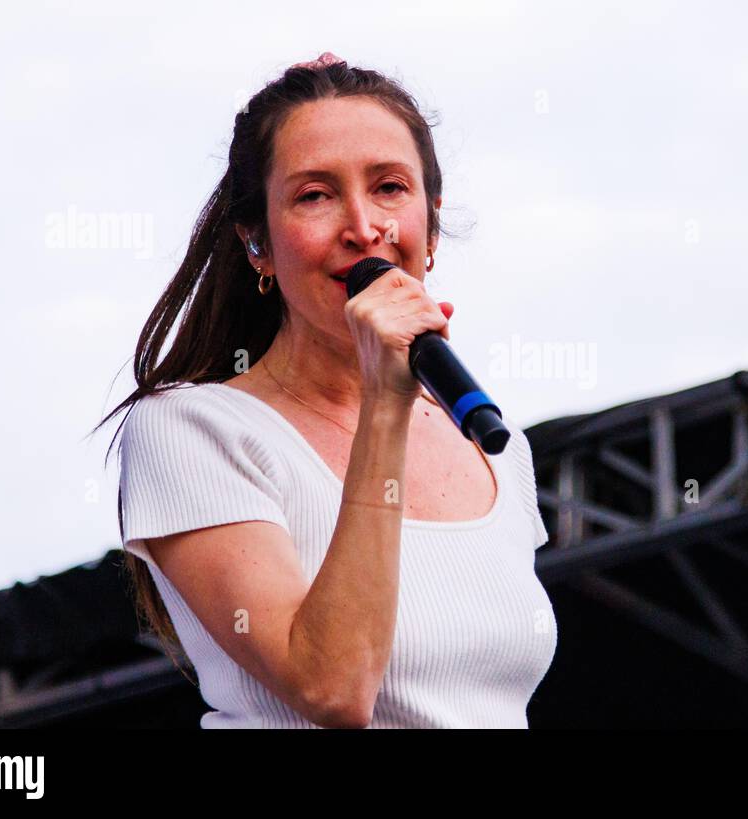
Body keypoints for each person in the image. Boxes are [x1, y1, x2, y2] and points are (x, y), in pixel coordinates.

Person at [94, 52, 556, 728]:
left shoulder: (493, 443)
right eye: (315, 195)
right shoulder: (193, 429)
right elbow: (333, 686)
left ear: (430, 224)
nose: (363, 227)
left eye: (390, 188)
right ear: (256, 243)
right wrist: (385, 402)